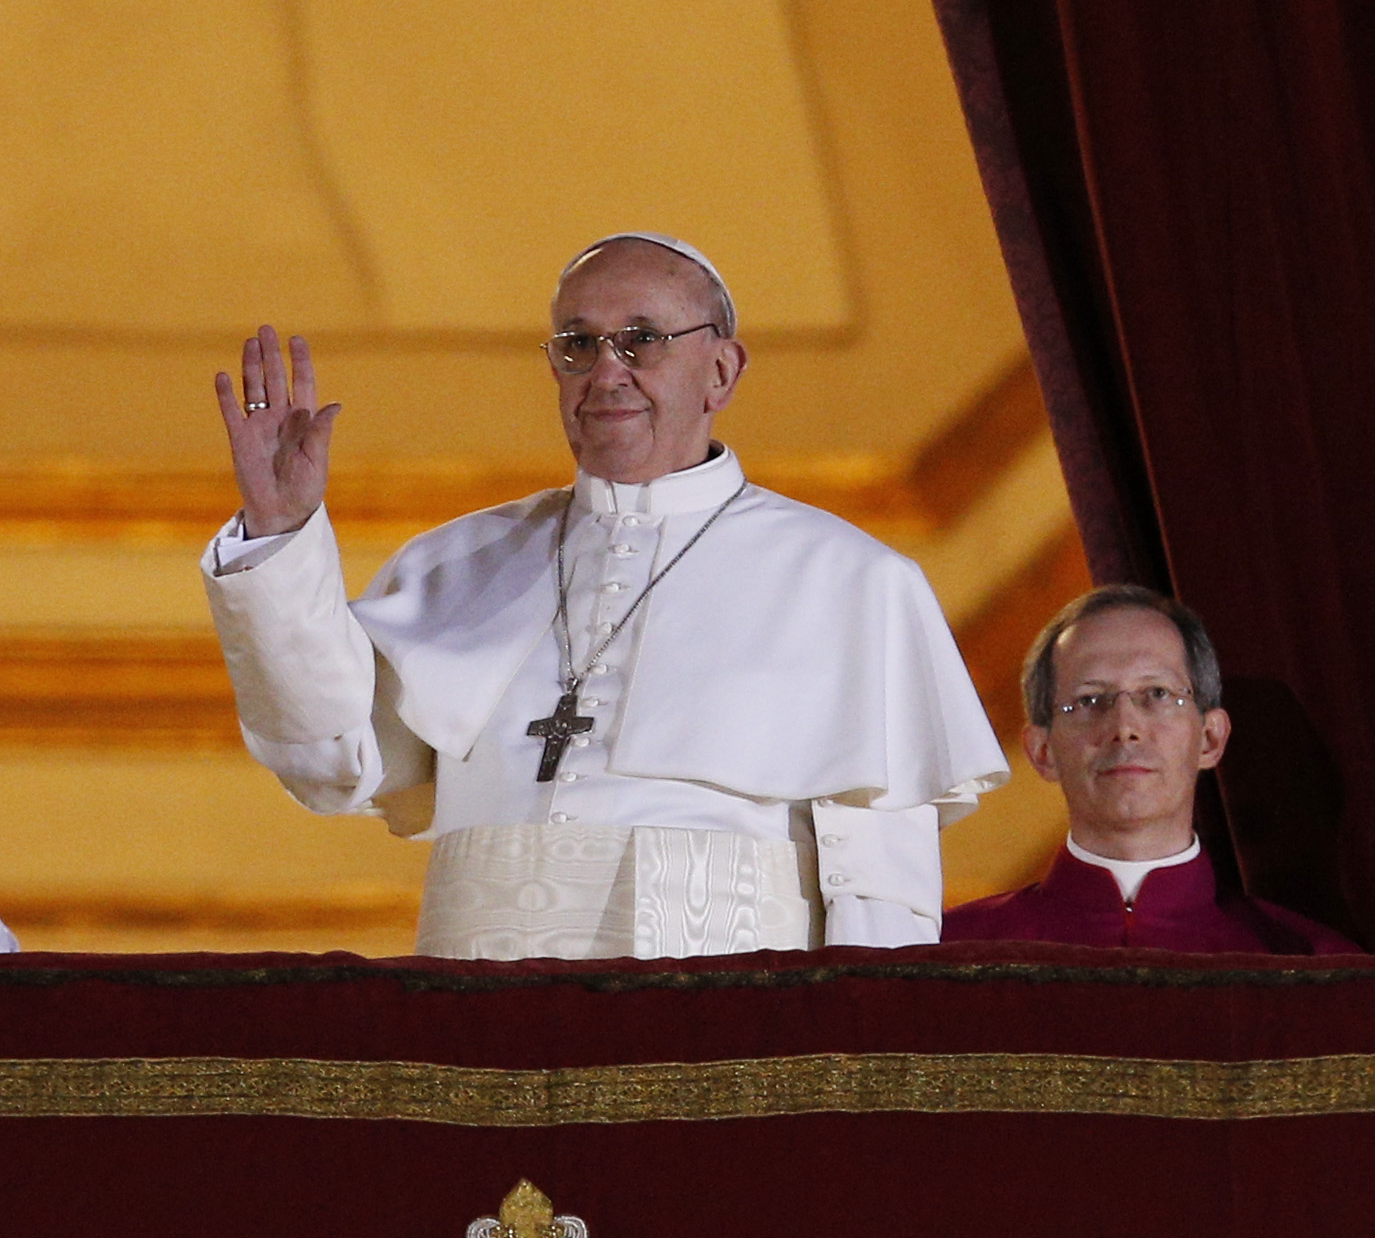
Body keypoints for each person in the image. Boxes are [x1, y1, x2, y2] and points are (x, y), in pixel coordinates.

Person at [202, 233, 1007, 961]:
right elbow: (325, 761)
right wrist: (282, 532)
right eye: (577, 346)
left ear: (720, 371)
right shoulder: (455, 564)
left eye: (641, 341)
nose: (605, 373)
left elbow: (881, 886)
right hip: (481, 1002)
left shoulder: (852, 581)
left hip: (722, 1012)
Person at [942, 585, 1360, 952]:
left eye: (1157, 694)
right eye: (1089, 700)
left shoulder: (1312, 974)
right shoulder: (949, 962)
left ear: (1210, 738)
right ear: (1043, 750)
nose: (1125, 728)